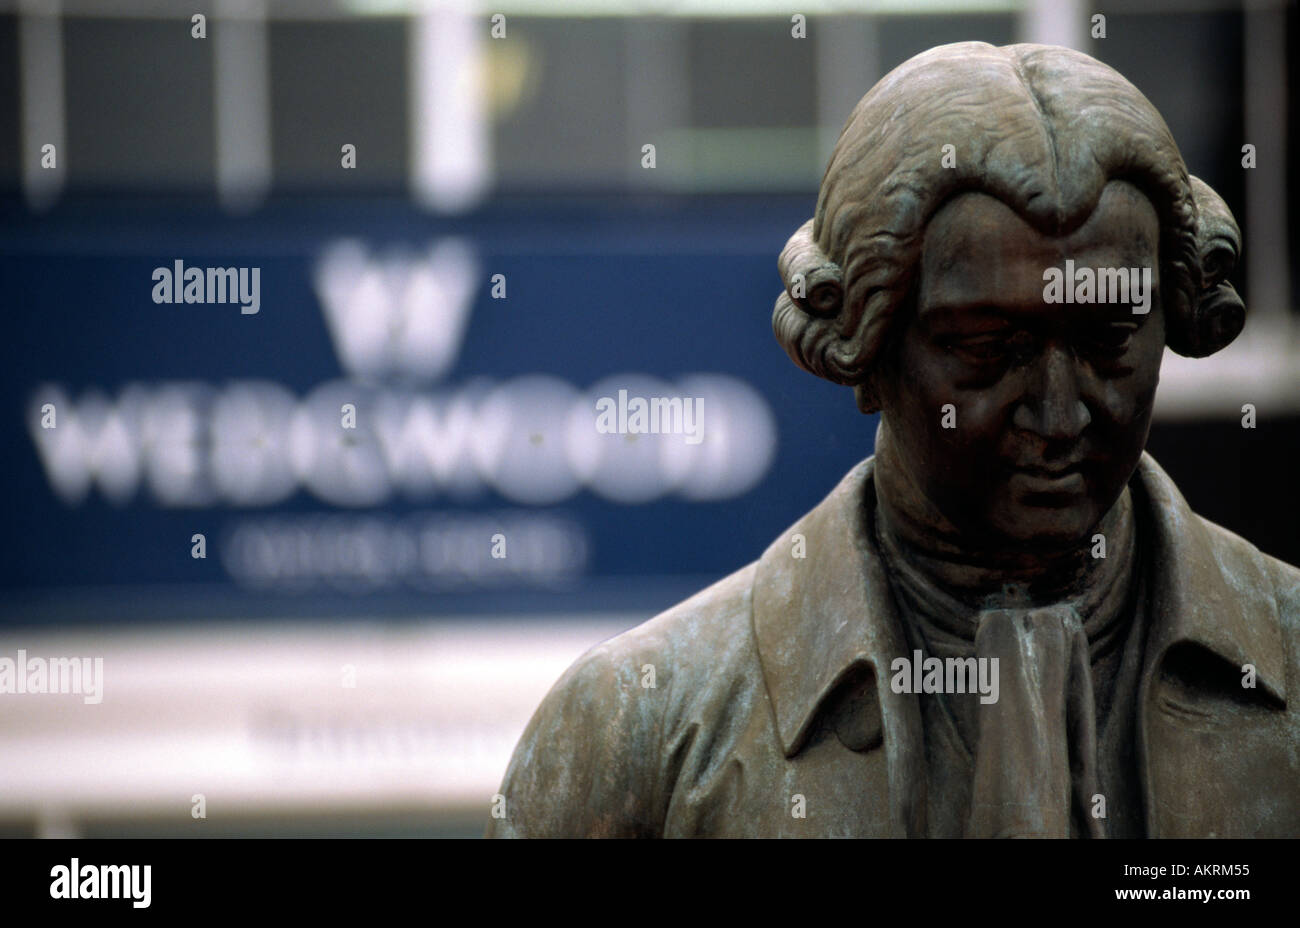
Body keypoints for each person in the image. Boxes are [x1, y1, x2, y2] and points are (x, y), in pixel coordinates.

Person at [487, 42, 1300, 838]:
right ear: (867, 352)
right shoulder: (637, 730)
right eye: (987, 348)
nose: (1060, 415)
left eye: (1109, 339)